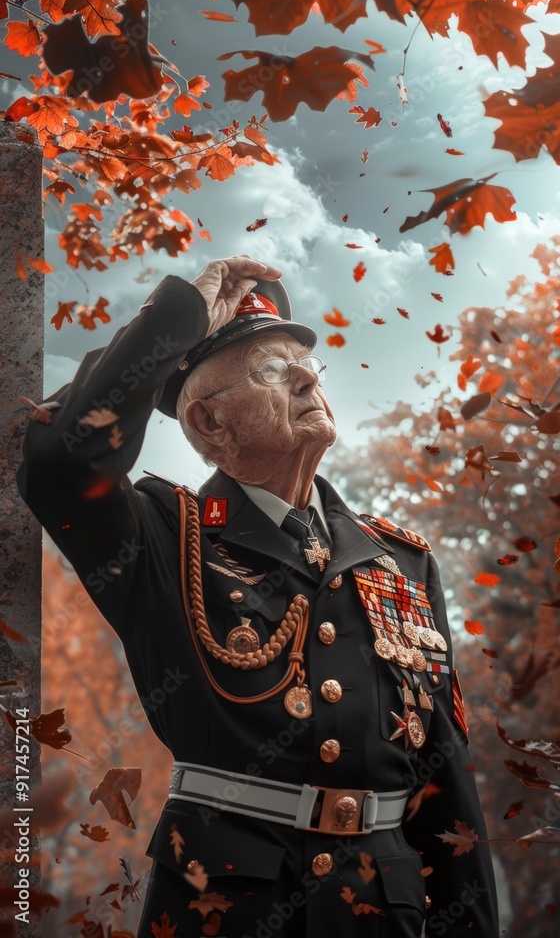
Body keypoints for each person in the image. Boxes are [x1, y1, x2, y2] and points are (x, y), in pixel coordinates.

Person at [17, 256, 499, 937]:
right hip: (231, 910)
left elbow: (446, 788)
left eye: (308, 366)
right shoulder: (166, 538)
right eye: (273, 369)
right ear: (210, 422)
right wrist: (175, 321)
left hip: (383, 913)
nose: (307, 377)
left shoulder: (403, 563)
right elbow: (63, 464)